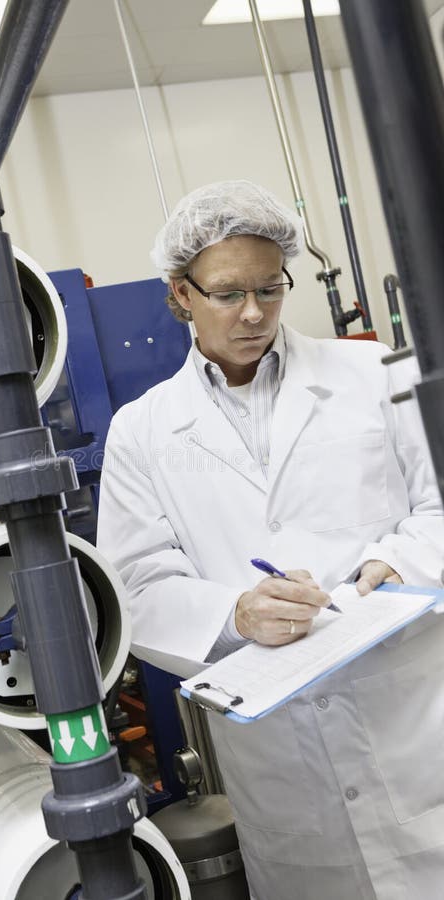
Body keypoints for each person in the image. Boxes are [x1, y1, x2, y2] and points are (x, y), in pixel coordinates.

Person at [97, 180, 444, 900]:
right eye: (227, 294)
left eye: (270, 289)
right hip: (281, 756)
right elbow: (138, 586)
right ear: (180, 295)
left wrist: (394, 560)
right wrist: (235, 616)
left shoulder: (375, 371)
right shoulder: (145, 429)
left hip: (413, 720)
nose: (253, 313)